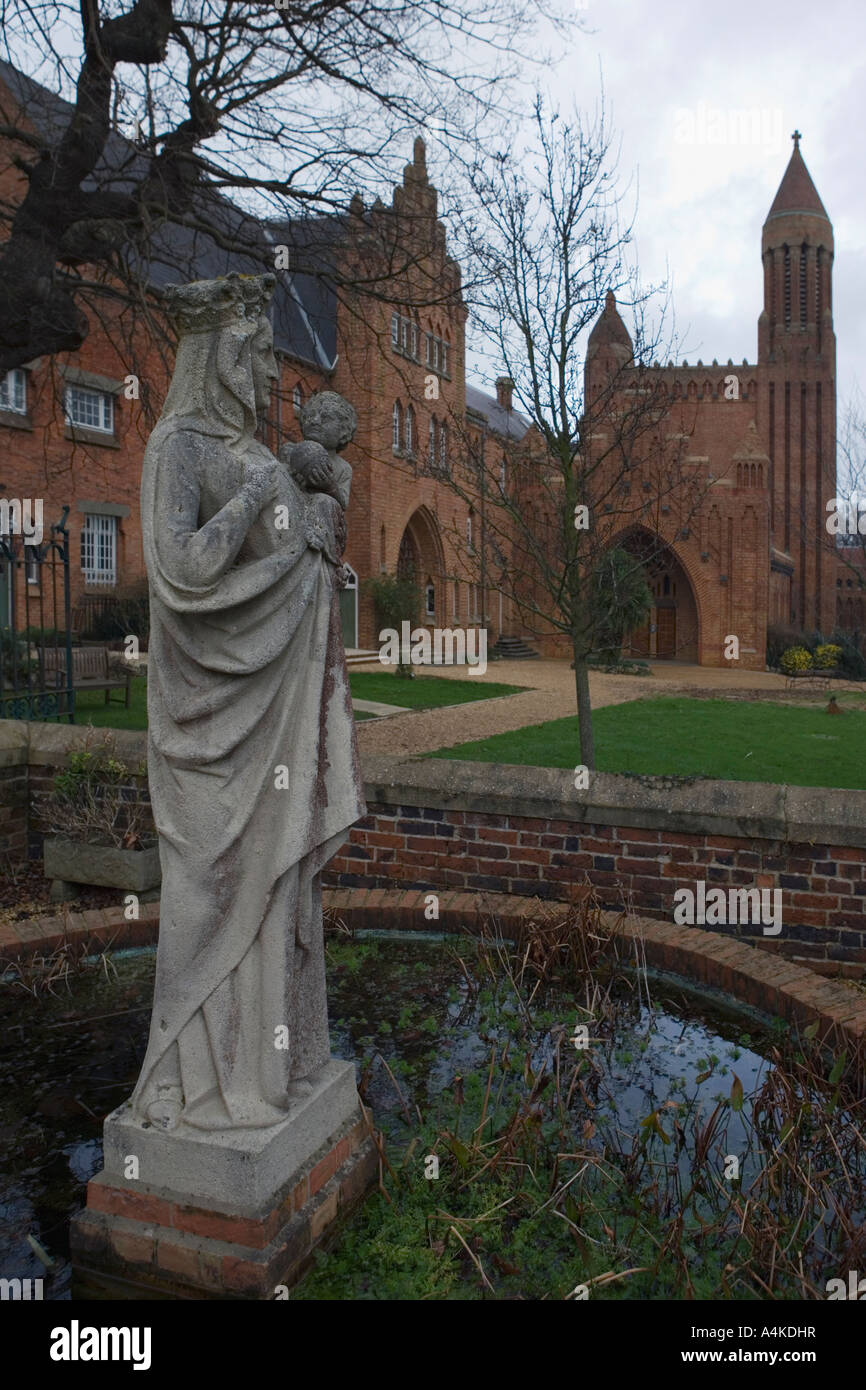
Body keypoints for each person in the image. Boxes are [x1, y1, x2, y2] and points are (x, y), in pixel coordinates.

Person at [132, 273, 365, 1132]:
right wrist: (260, 505)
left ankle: (272, 1070)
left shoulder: (266, 454)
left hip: (274, 709)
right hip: (208, 721)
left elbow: (305, 556)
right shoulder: (178, 449)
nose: (273, 378)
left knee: (275, 893)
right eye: (261, 356)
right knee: (206, 889)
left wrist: (317, 532)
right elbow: (186, 572)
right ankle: (186, 1083)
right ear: (220, 353)